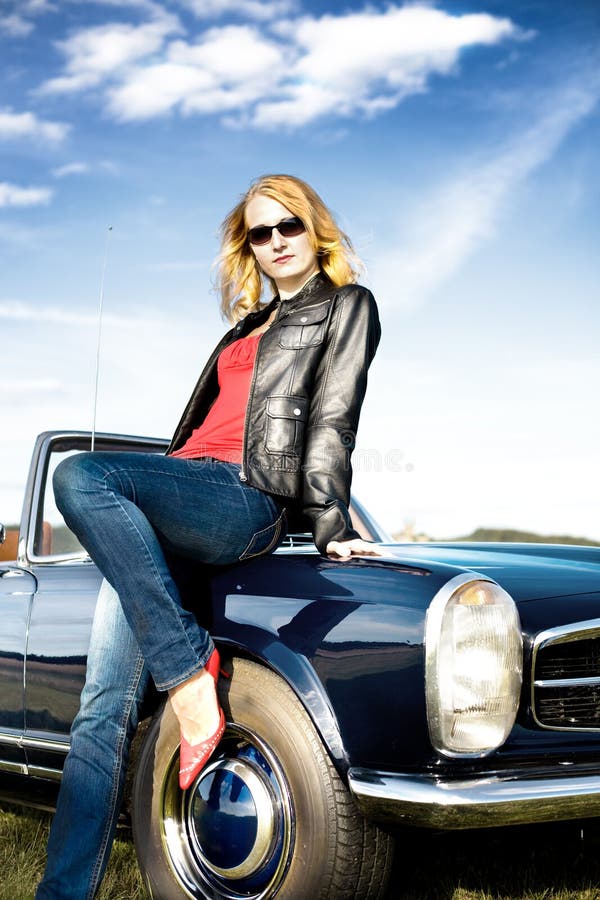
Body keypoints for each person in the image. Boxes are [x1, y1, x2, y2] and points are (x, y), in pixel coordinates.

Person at [35, 173, 382, 899]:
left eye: (289, 225)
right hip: (180, 498)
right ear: (247, 246)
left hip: (243, 496)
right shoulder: (244, 326)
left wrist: (327, 520)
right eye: (262, 232)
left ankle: (190, 678)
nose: (277, 241)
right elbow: (196, 433)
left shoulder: (345, 307)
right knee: (101, 713)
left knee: (82, 477)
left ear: (314, 228)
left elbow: (333, 419)